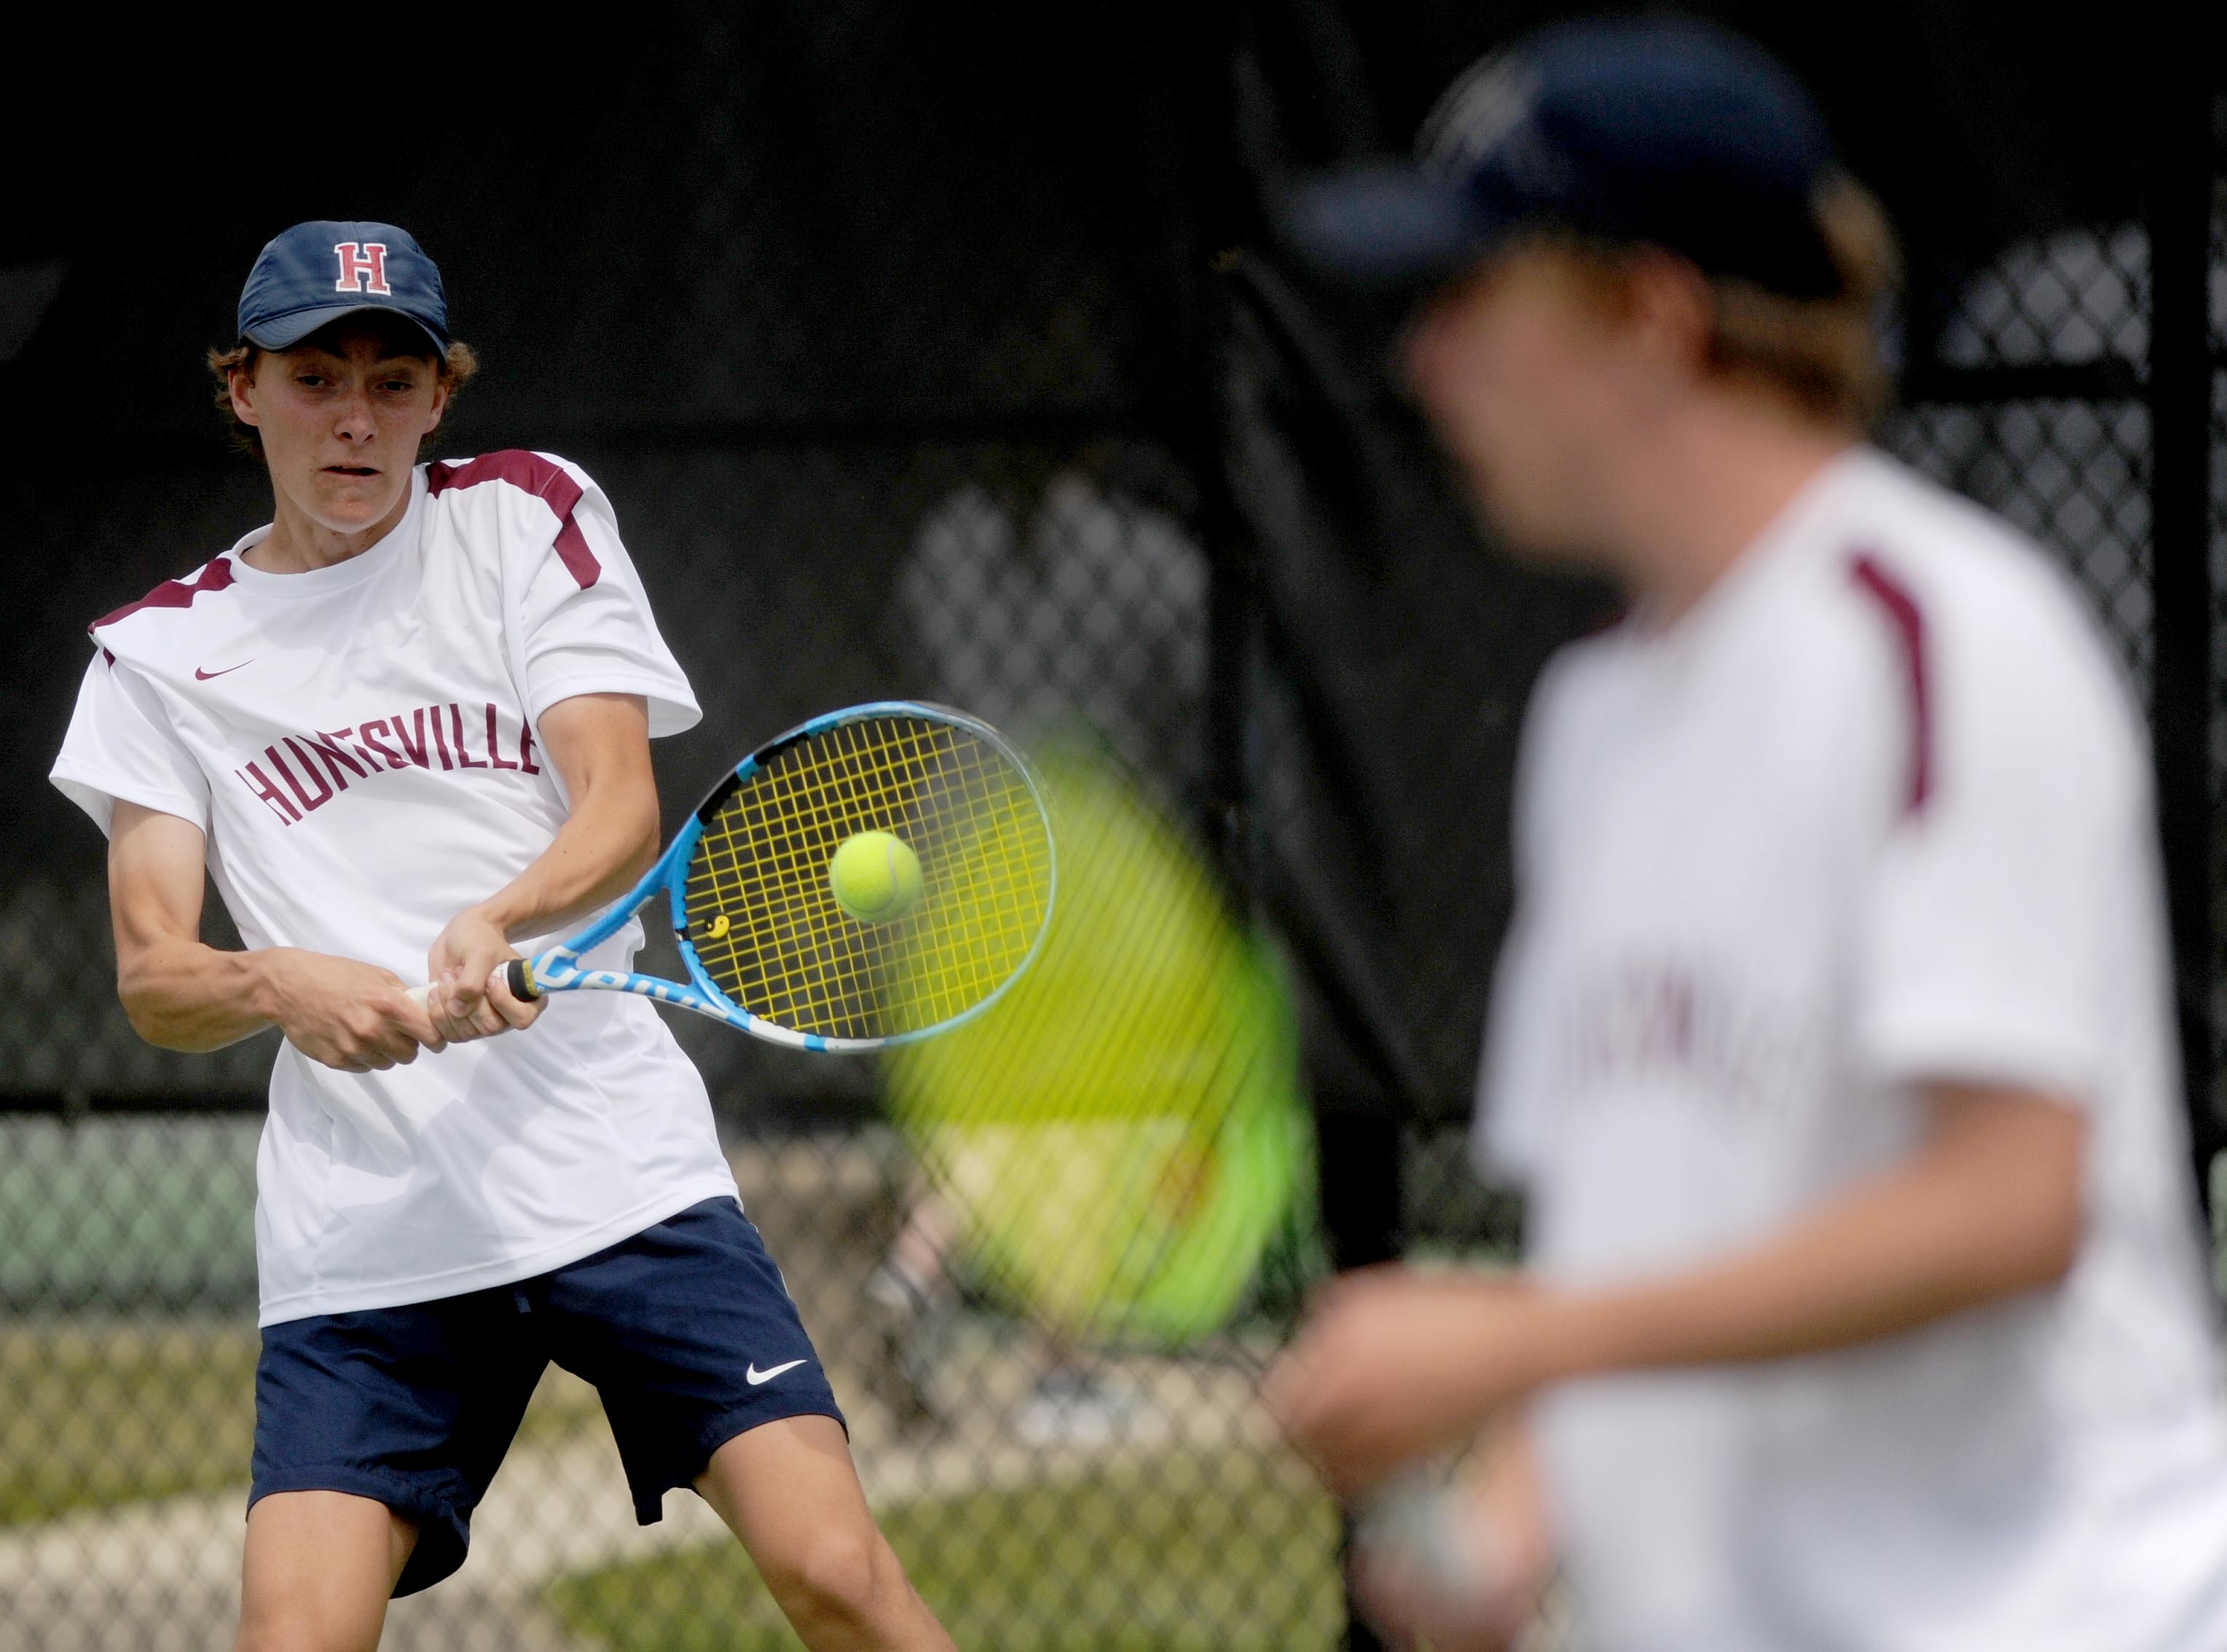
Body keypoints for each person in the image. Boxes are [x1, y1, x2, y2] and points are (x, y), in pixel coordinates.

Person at [1264, 20, 2227, 1651]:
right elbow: (1636, 1222)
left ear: (1651, 314)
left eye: (1470, 297)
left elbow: (2003, 1203)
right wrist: (1508, 1517)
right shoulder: (1592, 720)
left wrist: (1514, 1338)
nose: (1423, 364)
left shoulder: (1938, 639)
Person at [50, 220, 954, 1652]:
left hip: (610, 1167)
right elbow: (157, 976)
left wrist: (498, 918)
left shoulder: (523, 516)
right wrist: (281, 982)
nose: (355, 417)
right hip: (372, 1224)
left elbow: (616, 804)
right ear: (241, 390)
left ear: (440, 396)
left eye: (393, 381)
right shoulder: (158, 655)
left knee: (837, 1575)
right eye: (314, 377)